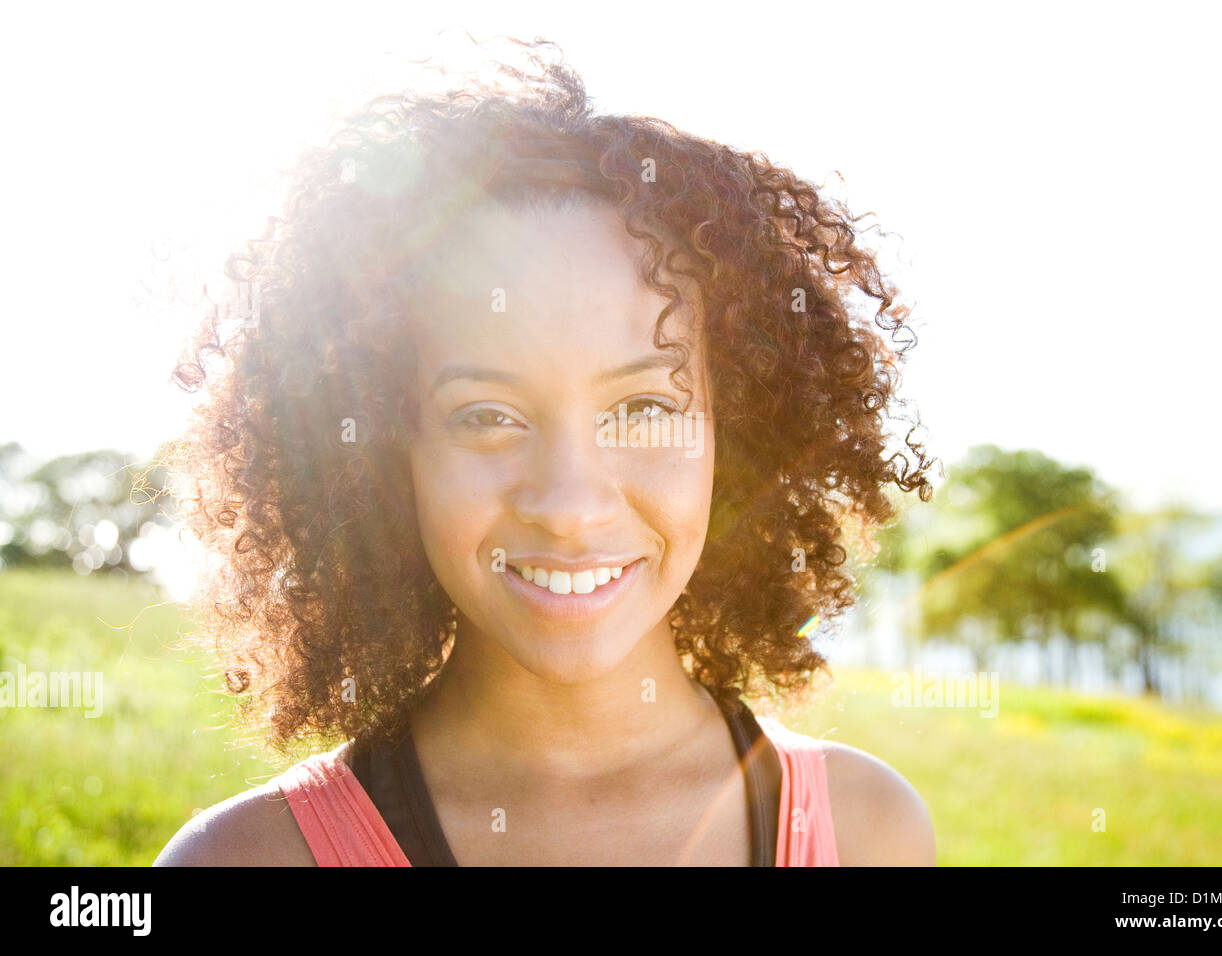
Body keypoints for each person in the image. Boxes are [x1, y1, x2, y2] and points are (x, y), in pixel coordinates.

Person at [154, 39, 937, 867]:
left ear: (734, 439)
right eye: (488, 415)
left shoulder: (869, 833)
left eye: (642, 408)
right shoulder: (244, 860)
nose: (569, 506)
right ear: (385, 454)